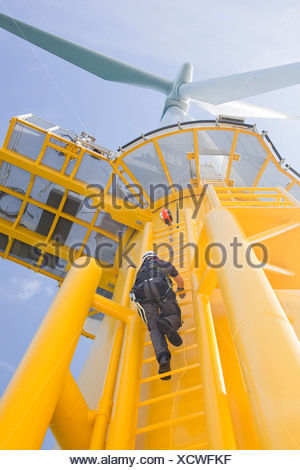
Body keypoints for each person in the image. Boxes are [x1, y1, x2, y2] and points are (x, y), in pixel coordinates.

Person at [130, 251, 186, 380]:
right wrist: (180, 289)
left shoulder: (141, 270)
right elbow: (180, 281)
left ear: (144, 260)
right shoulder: (162, 263)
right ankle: (168, 323)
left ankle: (163, 358)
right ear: (156, 257)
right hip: (161, 289)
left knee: (154, 327)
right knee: (174, 315)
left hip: (143, 295)